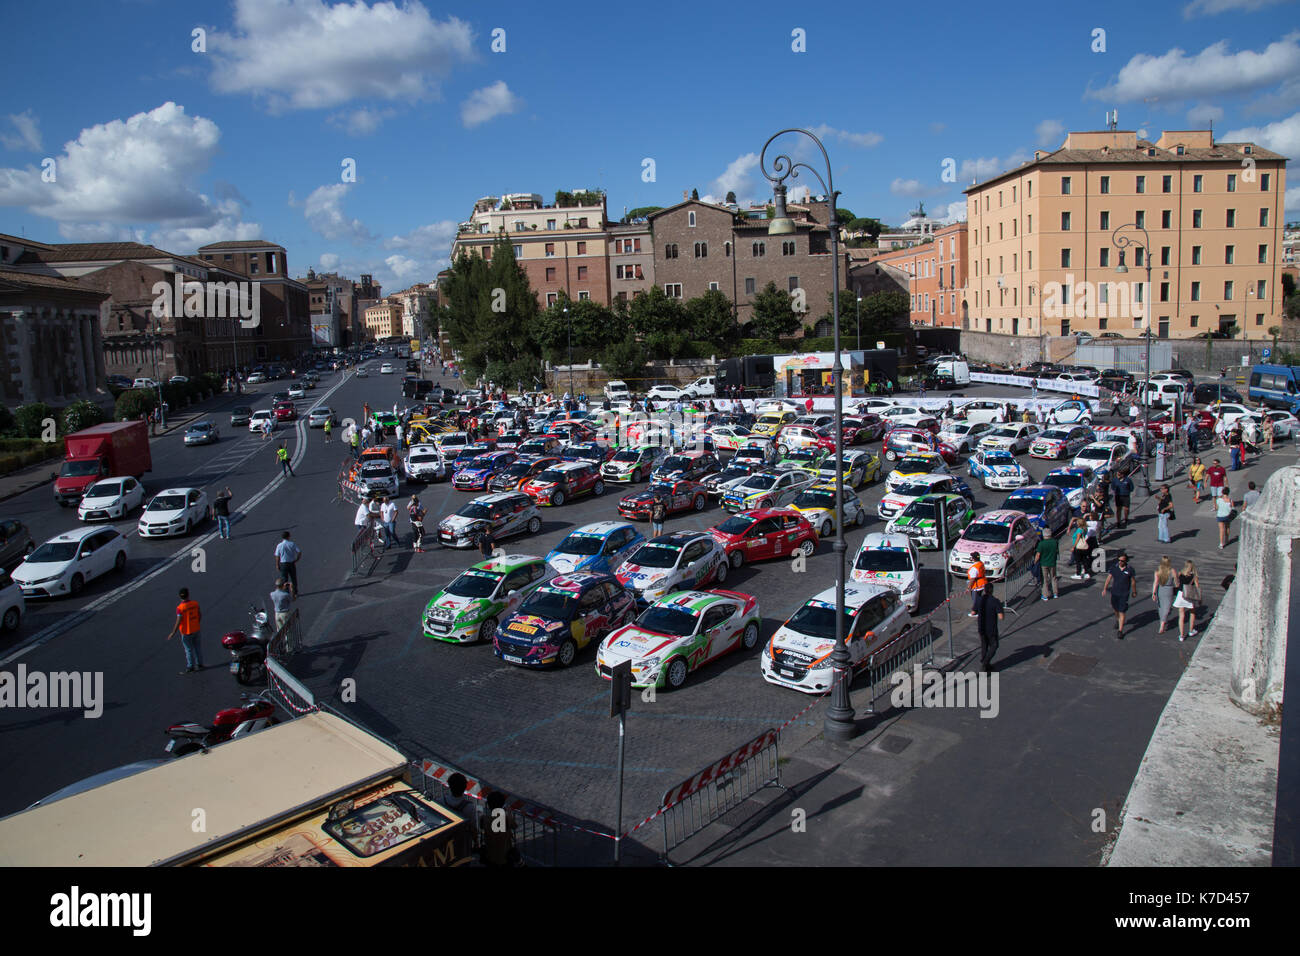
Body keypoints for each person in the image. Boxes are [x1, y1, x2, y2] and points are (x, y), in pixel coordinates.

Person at [167, 587, 203, 674]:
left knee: (189, 649)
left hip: (186, 632)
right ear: (188, 594)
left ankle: (190, 666)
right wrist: (196, 623)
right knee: (197, 647)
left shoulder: (180, 608)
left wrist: (173, 632)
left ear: (180, 597)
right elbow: (199, 615)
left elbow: (178, 621)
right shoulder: (195, 604)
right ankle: (200, 664)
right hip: (196, 629)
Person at [1102, 551, 1138, 639]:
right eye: (1119, 560)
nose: (1120, 562)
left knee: (1122, 611)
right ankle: (1118, 619)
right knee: (1115, 608)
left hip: (1124, 594)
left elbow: (1133, 581)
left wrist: (1134, 591)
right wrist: (1104, 588)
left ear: (1125, 561)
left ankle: (1120, 631)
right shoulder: (1114, 568)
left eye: (1122, 561)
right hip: (1114, 593)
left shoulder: (1130, 569)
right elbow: (1109, 578)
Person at [1173, 560, 1201, 641]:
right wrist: (1199, 598)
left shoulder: (1180, 573)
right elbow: (1197, 586)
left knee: (1181, 615)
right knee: (1192, 613)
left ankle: (1181, 635)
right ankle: (1191, 631)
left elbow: (1177, 583)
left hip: (1181, 594)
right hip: (1189, 595)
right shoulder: (1194, 576)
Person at [977, 592, 1004, 674]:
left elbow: (973, 612)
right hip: (991, 628)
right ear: (992, 590)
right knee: (994, 645)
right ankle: (985, 662)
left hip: (981, 627)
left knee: (984, 645)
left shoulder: (979, 600)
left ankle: (986, 664)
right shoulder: (995, 601)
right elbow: (1001, 617)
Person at [1152, 556, 1177, 635]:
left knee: (1162, 607)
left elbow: (1155, 583)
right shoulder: (1172, 571)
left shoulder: (1158, 571)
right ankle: (1162, 624)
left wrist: (1154, 592)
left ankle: (1162, 624)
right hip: (1168, 590)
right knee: (1165, 608)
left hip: (1161, 590)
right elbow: (1176, 581)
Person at [275, 530, 301, 598]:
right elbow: (299, 552)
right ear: (288, 536)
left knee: (284, 579)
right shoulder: (292, 544)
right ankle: (295, 592)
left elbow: (277, 556)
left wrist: (277, 564)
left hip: (283, 564)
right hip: (291, 563)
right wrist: (297, 559)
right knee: (293, 578)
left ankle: (286, 593)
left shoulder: (279, 545)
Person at [1036, 530, 1059, 601]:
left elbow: (1038, 555)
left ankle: (1045, 595)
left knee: (1045, 580)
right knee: (1054, 578)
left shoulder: (1041, 544)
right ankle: (1055, 593)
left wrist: (1035, 562)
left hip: (1044, 563)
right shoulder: (1055, 542)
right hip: (1052, 563)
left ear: (1044, 535)